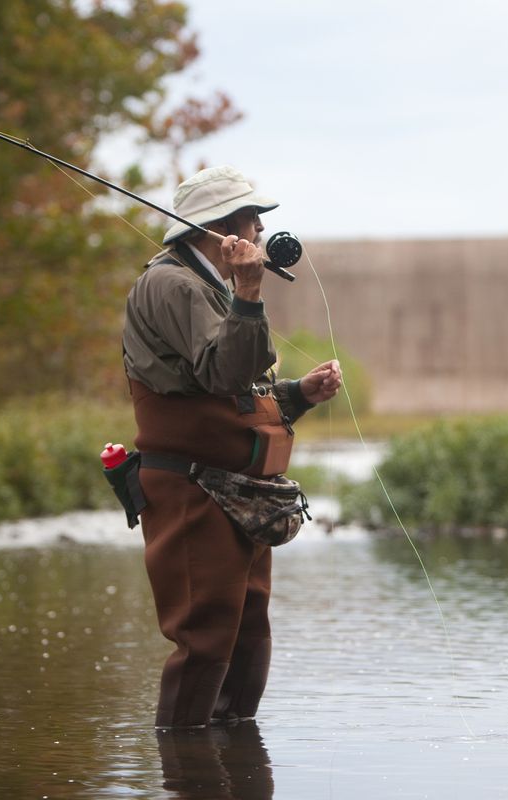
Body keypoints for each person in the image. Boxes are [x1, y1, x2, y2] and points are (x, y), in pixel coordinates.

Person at [122, 165, 342, 729]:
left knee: (246, 630)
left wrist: (298, 394)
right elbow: (224, 374)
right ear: (221, 228)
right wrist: (248, 292)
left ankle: (236, 760)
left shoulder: (205, 286)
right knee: (205, 635)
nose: (261, 230)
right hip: (193, 488)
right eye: (252, 218)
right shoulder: (172, 285)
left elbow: (234, 391)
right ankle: (186, 761)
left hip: (238, 492)